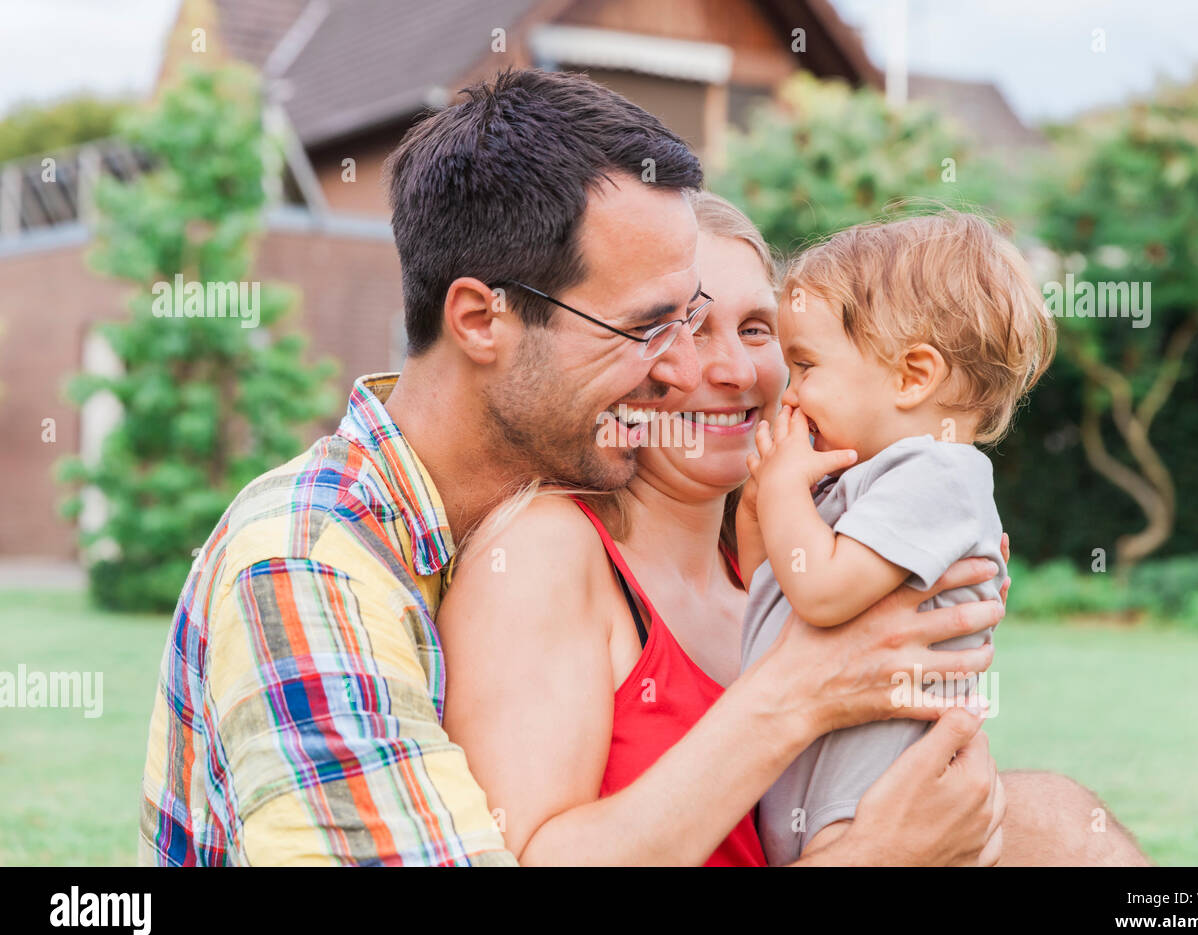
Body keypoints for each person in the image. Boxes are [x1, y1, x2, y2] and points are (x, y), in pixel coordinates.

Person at [138, 69, 1002, 866]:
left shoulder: (506, 526)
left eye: (744, 327)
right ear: (482, 320)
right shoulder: (307, 564)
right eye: (648, 326)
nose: (686, 370)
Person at [437, 192, 1029, 866]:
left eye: (757, 330)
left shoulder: (781, 562)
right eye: (683, 328)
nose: (735, 371)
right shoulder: (545, 552)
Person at [737, 212, 1056, 866]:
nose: (789, 396)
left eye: (806, 366)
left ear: (913, 376)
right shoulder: (864, 478)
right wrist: (761, 504)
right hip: (820, 799)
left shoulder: (940, 474)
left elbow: (821, 593)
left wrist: (780, 493)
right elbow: (765, 590)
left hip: (869, 804)